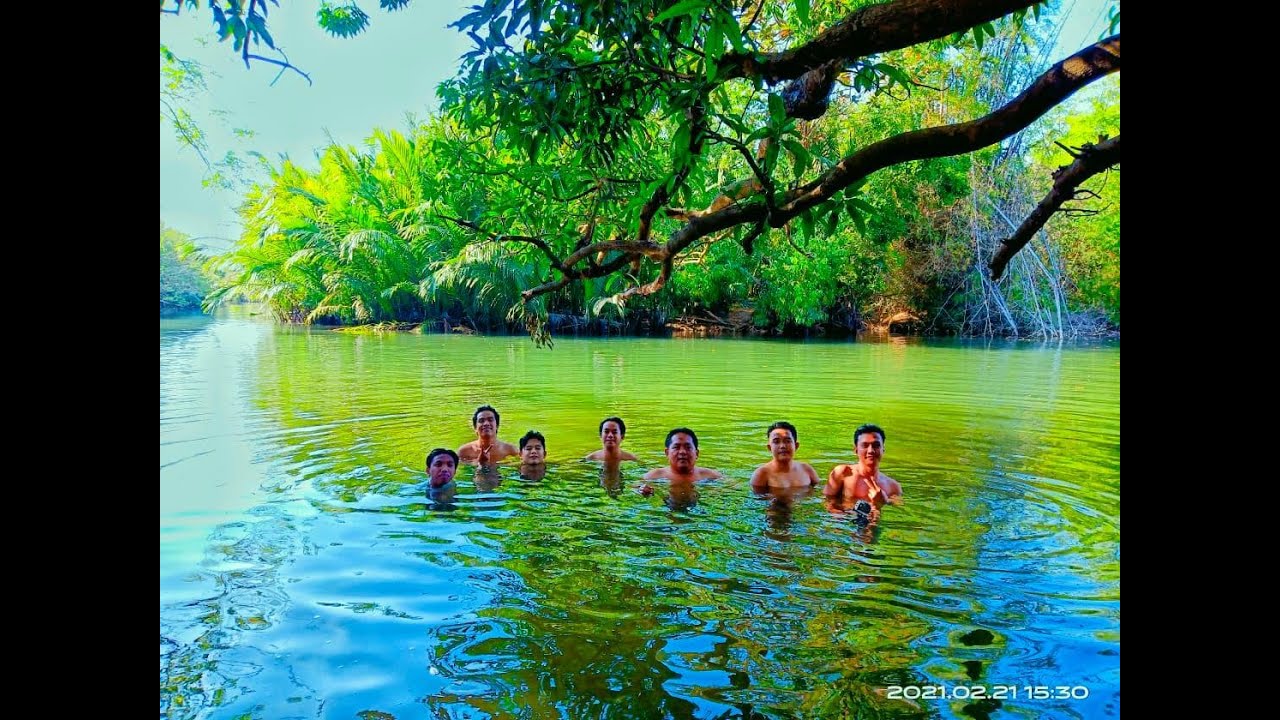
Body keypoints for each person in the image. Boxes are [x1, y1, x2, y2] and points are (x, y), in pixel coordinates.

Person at [824, 424, 904, 513]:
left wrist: (883, 501)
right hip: (845, 520)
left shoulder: (893, 486)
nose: (871, 451)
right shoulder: (843, 473)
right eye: (865, 445)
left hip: (875, 522)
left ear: (883, 449)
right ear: (856, 449)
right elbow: (827, 501)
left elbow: (900, 507)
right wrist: (841, 517)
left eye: (876, 445)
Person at [749, 421, 819, 493]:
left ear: (796, 446)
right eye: (776, 442)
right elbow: (757, 500)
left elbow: (820, 492)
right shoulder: (762, 474)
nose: (782, 446)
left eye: (787, 441)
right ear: (769, 448)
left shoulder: (806, 469)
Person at [640, 428, 722, 485]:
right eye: (676, 447)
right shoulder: (653, 476)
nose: (682, 452)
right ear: (667, 452)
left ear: (696, 453)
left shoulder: (711, 476)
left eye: (688, 447)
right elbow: (636, 488)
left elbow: (732, 485)